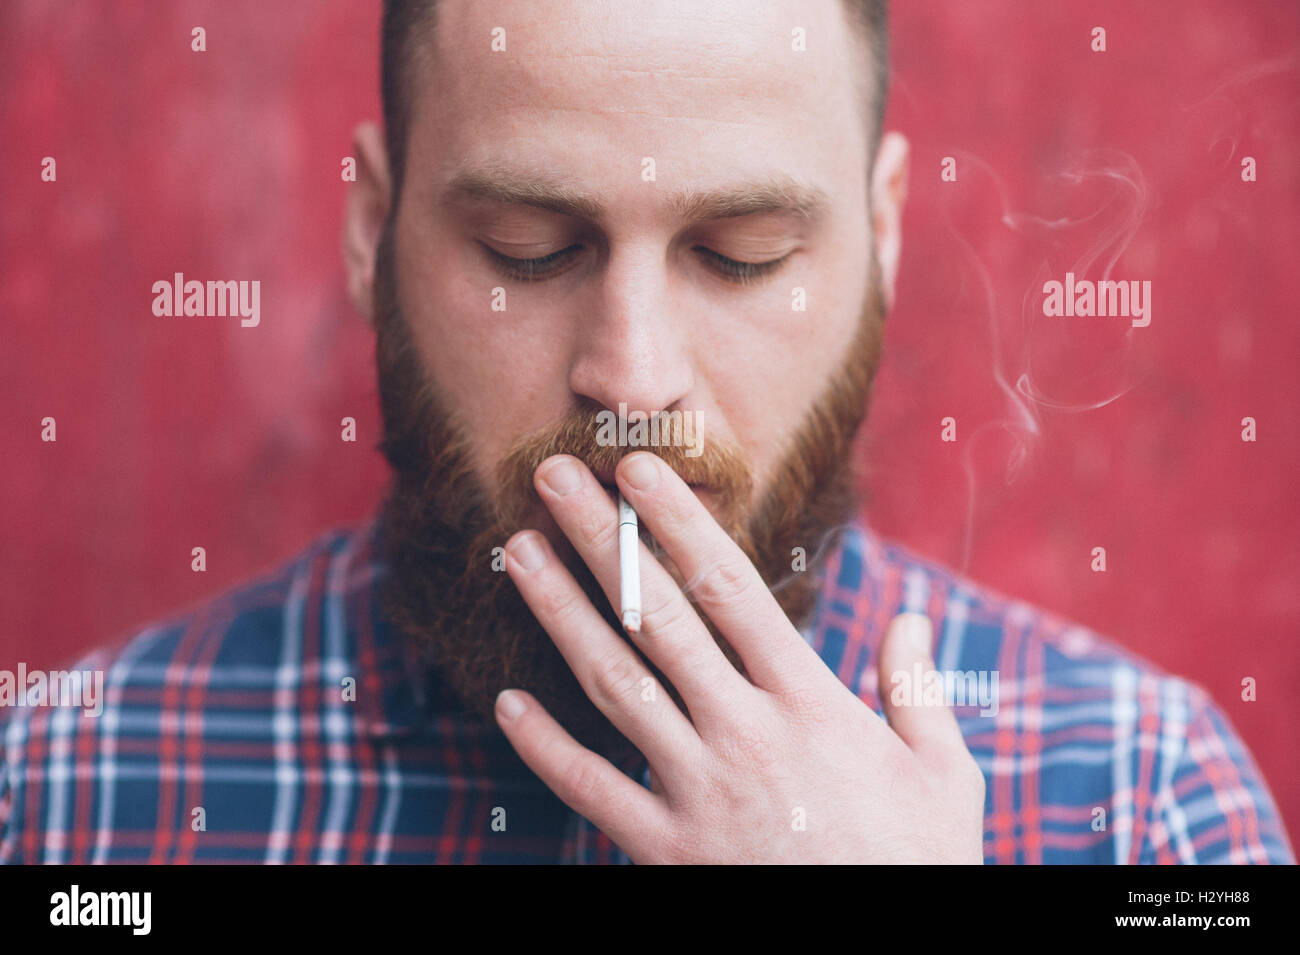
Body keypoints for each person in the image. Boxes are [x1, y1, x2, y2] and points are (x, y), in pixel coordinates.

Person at [1, 0, 1291, 864]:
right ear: (372, 231)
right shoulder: (72, 795)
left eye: (740, 258)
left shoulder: (1143, 798)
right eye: (531, 250)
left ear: (882, 237)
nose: (631, 376)